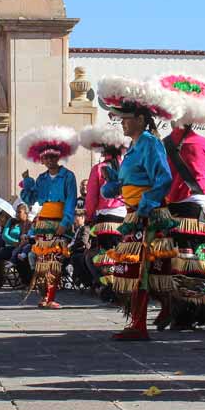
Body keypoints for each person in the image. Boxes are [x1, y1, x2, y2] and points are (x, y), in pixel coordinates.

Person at [97, 75, 178, 340]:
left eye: (126, 118)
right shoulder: (132, 147)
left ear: (141, 120)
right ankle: (161, 311)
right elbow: (128, 182)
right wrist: (113, 184)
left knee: (141, 268)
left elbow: (163, 178)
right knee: (137, 268)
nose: (122, 122)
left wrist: (146, 204)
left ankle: (140, 325)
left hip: (147, 215)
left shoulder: (150, 143)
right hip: (133, 214)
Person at [151, 73, 205, 330]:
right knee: (204, 261)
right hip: (197, 211)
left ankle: (181, 313)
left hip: (171, 212)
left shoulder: (162, 145)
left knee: (177, 263)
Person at [19, 125, 79, 309]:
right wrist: (27, 184)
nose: (50, 160)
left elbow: (71, 201)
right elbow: (31, 199)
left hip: (59, 222)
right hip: (43, 224)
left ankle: (51, 296)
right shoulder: (41, 178)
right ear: (41, 159)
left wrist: (65, 222)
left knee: (55, 262)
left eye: (53, 156)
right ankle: (45, 296)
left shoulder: (68, 176)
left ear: (59, 156)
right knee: (42, 262)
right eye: (46, 157)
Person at [80, 122, 130, 297]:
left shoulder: (99, 169)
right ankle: (123, 285)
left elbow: (92, 197)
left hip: (105, 218)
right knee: (122, 253)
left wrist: (89, 216)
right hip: (125, 217)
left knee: (104, 255)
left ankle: (110, 288)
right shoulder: (127, 166)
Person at [0, 210, 22, 289]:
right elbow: (4, 236)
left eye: (2, 217)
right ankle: (0, 278)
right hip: (8, 247)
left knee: (18, 256)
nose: (0, 220)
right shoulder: (10, 222)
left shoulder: (23, 224)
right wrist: (14, 242)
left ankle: (24, 280)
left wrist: (17, 243)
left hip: (19, 247)